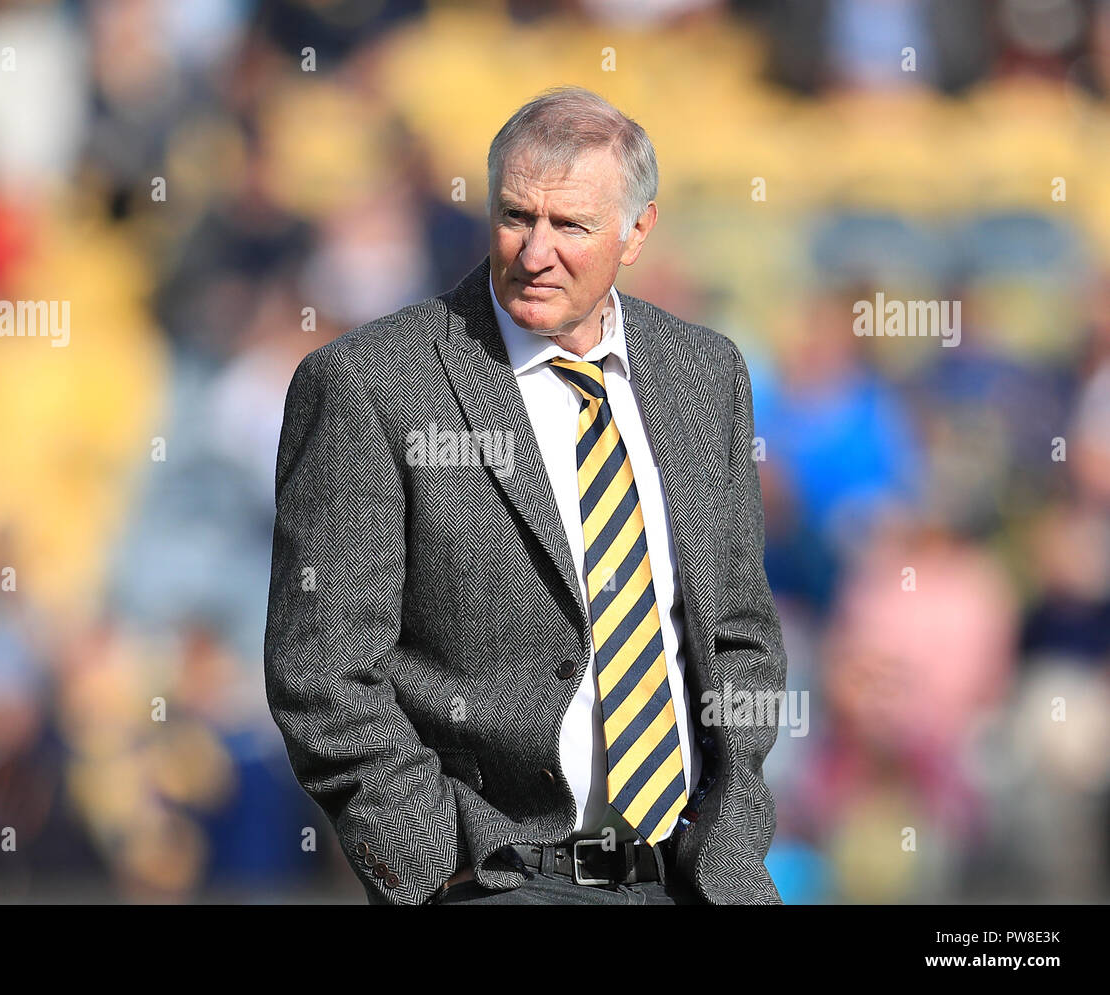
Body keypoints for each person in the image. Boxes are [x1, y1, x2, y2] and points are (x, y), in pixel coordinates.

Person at [263, 86, 787, 905]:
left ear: (637, 231)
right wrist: (435, 869)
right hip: (494, 883)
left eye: (571, 225)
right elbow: (321, 669)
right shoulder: (371, 384)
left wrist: (733, 839)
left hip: (686, 885)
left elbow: (741, 635)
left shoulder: (705, 373)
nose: (535, 251)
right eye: (516, 217)